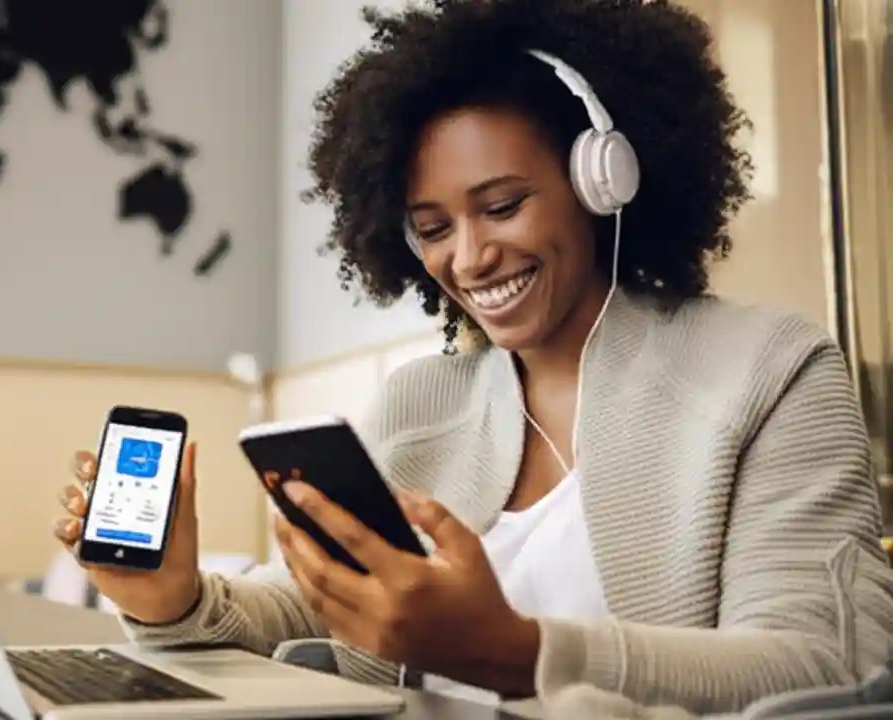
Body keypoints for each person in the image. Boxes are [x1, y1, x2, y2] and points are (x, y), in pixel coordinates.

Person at [52, 0, 893, 715]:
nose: (470, 257)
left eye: (501, 205)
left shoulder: (771, 369)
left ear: (603, 181)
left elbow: (818, 668)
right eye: (432, 229)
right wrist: (175, 598)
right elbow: (310, 605)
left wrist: (510, 651)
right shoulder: (422, 402)